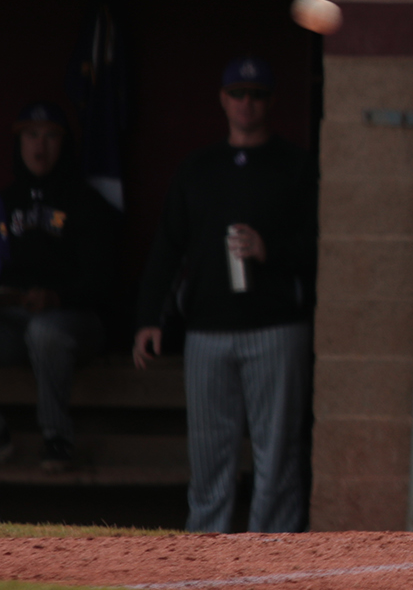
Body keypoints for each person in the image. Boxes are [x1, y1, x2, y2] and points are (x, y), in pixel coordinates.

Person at [133, 57, 318, 533]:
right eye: (238, 94)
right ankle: (206, 551)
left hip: (276, 326)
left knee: (276, 452)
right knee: (210, 452)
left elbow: (326, 246)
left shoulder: (296, 166)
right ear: (223, 99)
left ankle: (272, 558)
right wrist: (149, 318)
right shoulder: (199, 168)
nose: (247, 104)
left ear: (271, 102)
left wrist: (268, 250)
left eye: (256, 95)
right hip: (208, 330)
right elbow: (168, 247)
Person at [0, 101, 119, 472]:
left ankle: (57, 437)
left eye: (50, 136)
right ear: (19, 142)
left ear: (63, 144)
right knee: (31, 328)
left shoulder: (85, 202)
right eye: (32, 135)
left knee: (45, 331)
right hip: (16, 319)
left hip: (75, 321)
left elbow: (103, 282)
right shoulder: (6, 202)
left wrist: (56, 297)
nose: (40, 145)